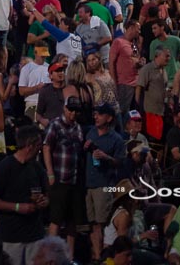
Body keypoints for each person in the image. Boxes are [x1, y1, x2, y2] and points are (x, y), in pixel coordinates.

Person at [0, 124, 49, 265]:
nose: (40, 149)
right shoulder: (5, 167)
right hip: (11, 237)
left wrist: (44, 201)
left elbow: (47, 194)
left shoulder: (37, 167)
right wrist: (17, 207)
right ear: (29, 146)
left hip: (35, 235)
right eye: (38, 145)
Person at [42, 94, 85, 256]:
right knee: (56, 219)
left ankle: (69, 256)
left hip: (74, 180)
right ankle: (51, 256)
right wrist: (50, 173)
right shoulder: (55, 124)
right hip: (59, 178)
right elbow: (46, 147)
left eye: (76, 111)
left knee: (72, 222)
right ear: (65, 108)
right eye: (70, 110)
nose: (73, 113)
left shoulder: (78, 128)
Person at [84, 103, 126, 263]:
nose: (96, 117)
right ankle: (97, 257)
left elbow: (120, 163)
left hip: (104, 184)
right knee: (92, 223)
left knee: (102, 223)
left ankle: (104, 257)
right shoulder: (90, 132)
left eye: (100, 114)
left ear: (109, 118)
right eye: (95, 114)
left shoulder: (116, 139)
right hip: (88, 183)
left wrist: (106, 157)